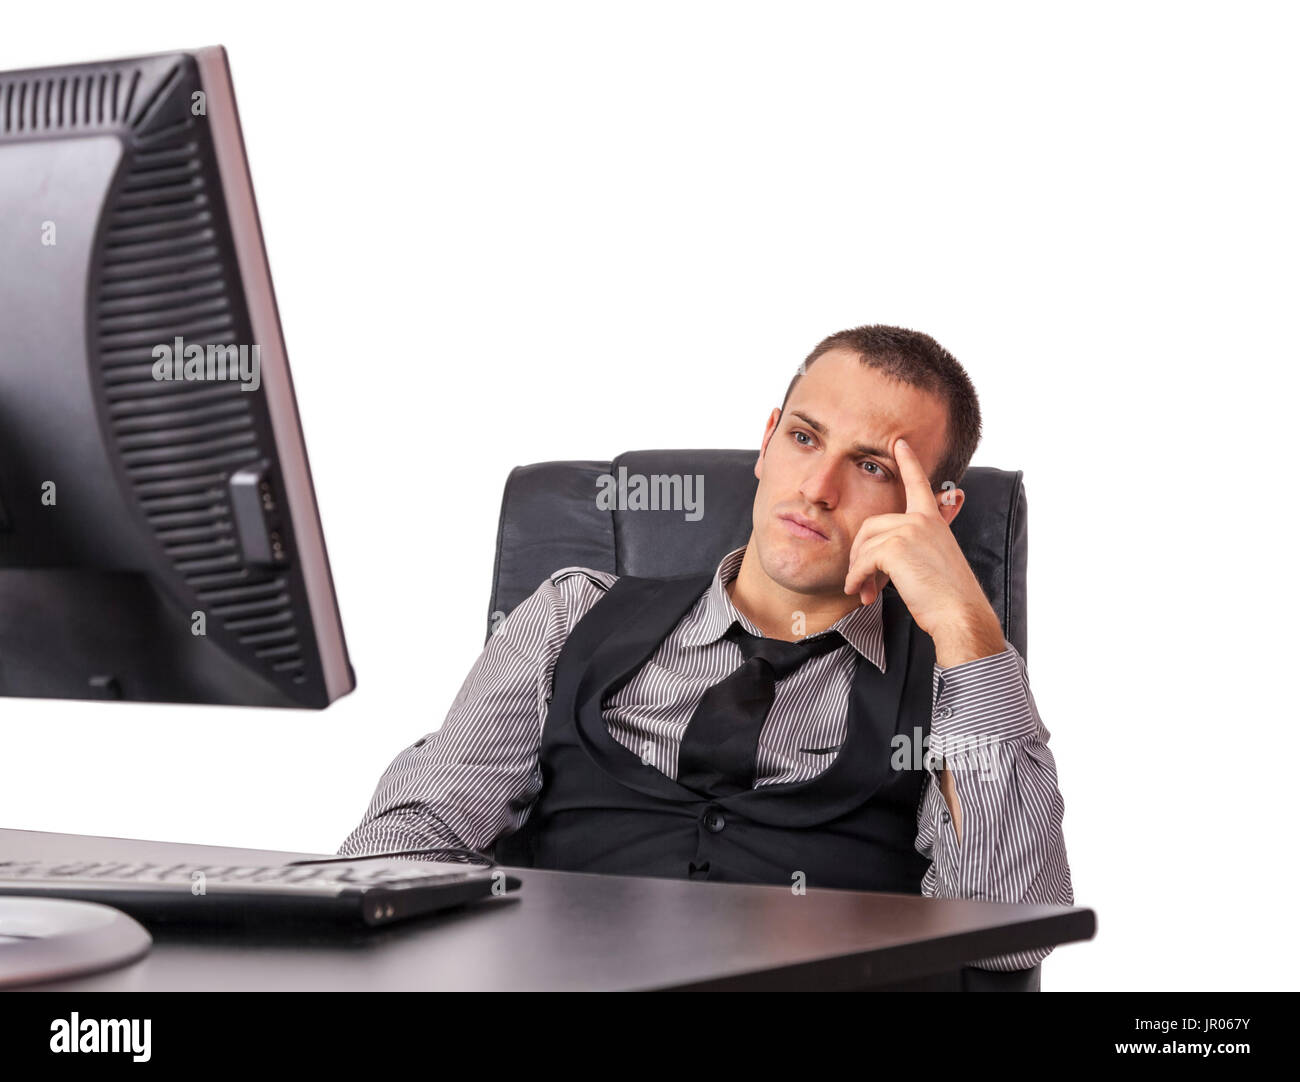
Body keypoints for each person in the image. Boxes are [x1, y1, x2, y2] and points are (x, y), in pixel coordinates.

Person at [339, 324, 1073, 972]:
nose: (817, 488)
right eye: (805, 438)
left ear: (938, 512)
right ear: (767, 440)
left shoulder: (955, 688)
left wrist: (967, 629)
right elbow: (417, 834)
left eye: (873, 466)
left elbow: (1004, 933)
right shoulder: (570, 617)